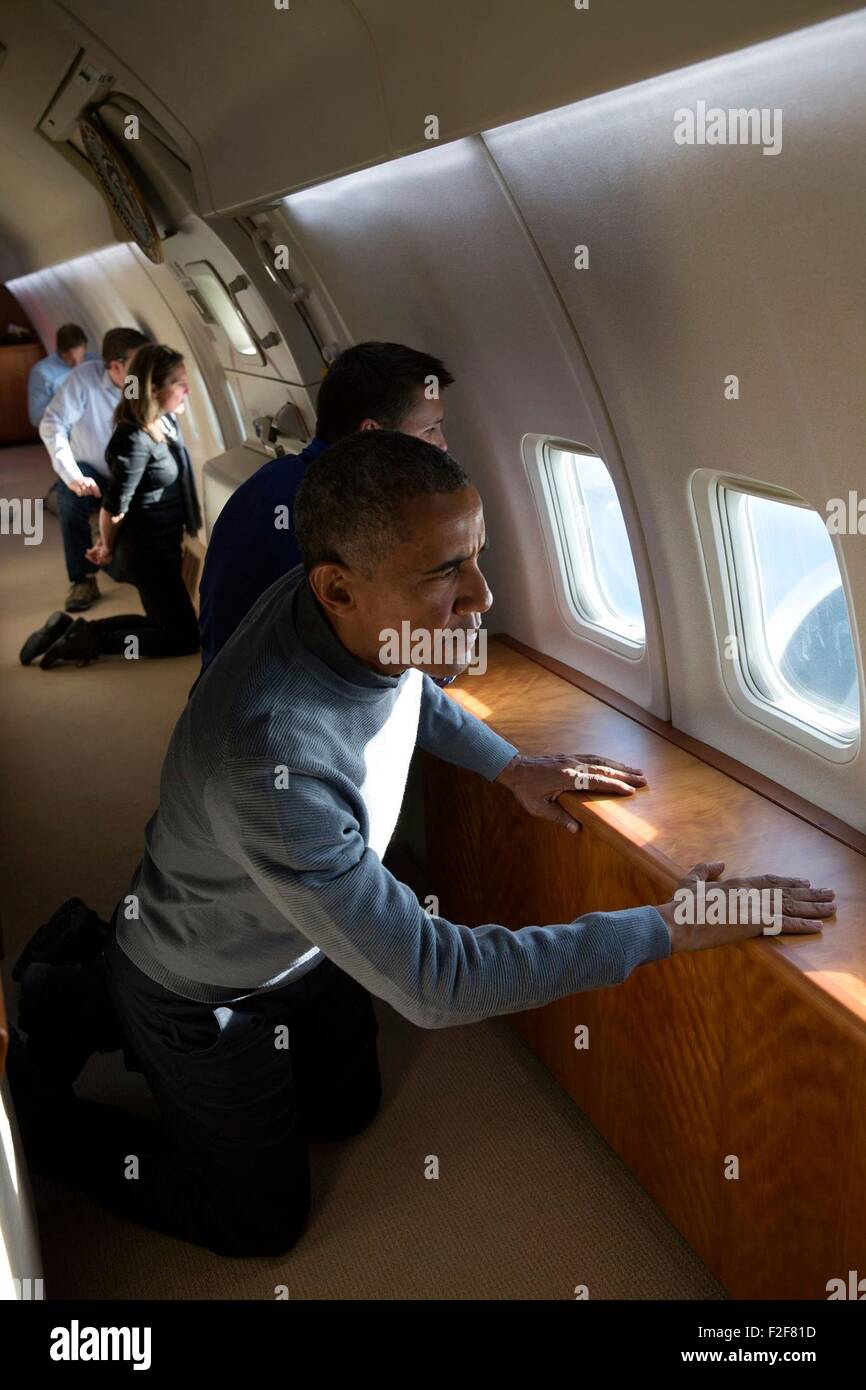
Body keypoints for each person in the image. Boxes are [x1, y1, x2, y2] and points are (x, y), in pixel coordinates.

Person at [7, 431, 835, 1257]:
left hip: (299, 941)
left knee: (345, 1113)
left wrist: (511, 766)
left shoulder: (345, 607)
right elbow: (437, 985)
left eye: (475, 555)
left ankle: (119, 995)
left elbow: (405, 691)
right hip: (198, 979)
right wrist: (673, 926)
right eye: (446, 573)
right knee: (260, 1224)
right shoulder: (266, 757)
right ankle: (79, 1027)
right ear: (336, 586)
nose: (484, 593)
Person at [197, 340, 453, 669]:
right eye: (430, 429)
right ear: (371, 434)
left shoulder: (280, 477)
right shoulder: (326, 513)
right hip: (269, 702)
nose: (442, 445)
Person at [22, 345, 202, 669]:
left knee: (167, 622)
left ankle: (75, 630)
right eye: (178, 382)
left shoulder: (162, 423)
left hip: (160, 546)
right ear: (153, 388)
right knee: (184, 638)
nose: (187, 390)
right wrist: (105, 546)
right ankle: (87, 641)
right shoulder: (134, 438)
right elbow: (114, 506)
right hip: (147, 551)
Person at [37, 327, 149, 614]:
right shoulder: (83, 379)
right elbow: (52, 425)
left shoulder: (139, 385)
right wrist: (72, 475)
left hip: (128, 470)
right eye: (138, 364)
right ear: (115, 366)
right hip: (91, 469)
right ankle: (83, 579)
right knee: (68, 498)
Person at [27, 323, 99, 428]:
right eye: (71, 360)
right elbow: (36, 417)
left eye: (81, 358)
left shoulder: (97, 362)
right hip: (66, 428)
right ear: (60, 352)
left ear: (85, 347)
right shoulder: (42, 372)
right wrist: (64, 408)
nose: (77, 364)